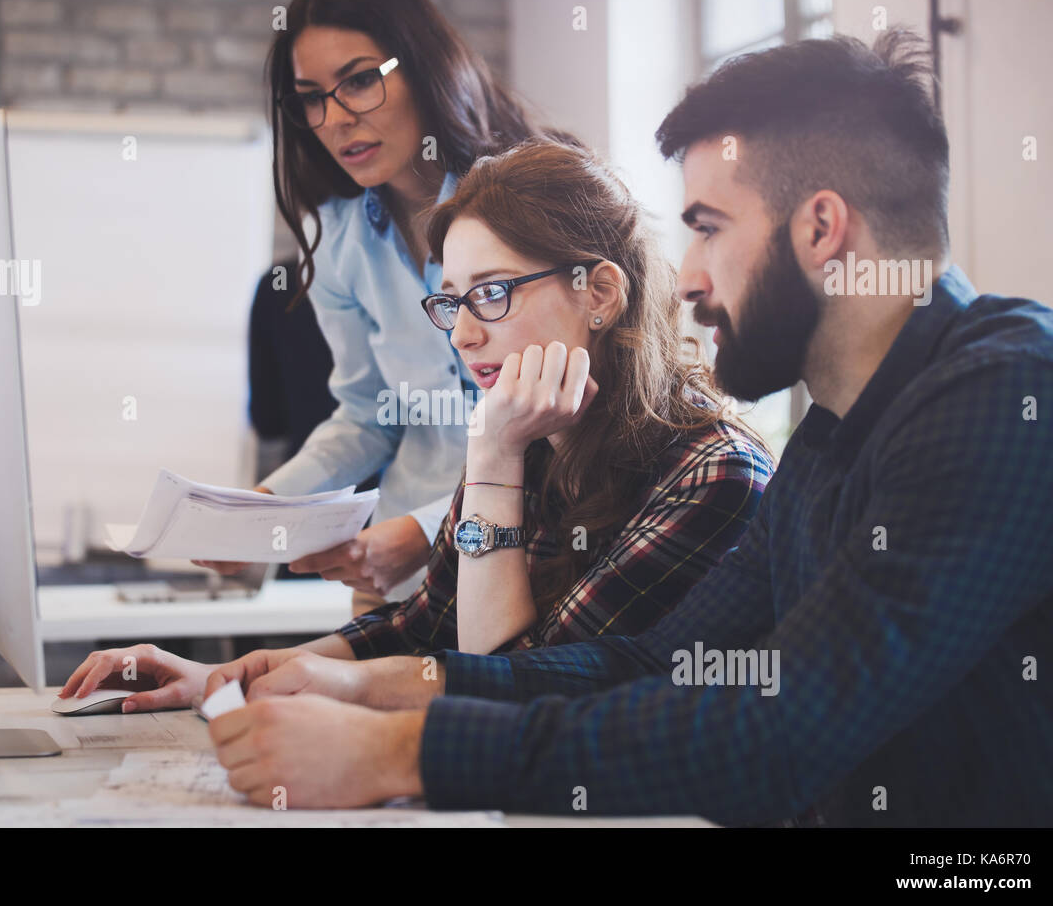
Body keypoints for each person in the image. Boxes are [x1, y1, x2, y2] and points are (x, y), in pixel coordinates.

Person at [193, 30, 1053, 826]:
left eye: (708, 227)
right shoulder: (831, 440)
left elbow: (782, 727)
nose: (687, 277)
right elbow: (653, 663)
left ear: (821, 227)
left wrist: (398, 754)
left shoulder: (1006, 392)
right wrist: (371, 684)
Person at [60, 138, 772, 700]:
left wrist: (492, 459)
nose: (462, 336)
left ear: (600, 293)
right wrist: (227, 678)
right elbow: (423, 625)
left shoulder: (712, 473)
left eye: (491, 294)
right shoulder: (531, 440)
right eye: (451, 301)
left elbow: (514, 688)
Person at [198, 0, 571, 611]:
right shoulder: (341, 241)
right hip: (400, 581)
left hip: (533, 553)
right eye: (311, 97)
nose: (336, 117)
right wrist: (266, 506)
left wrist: (429, 531)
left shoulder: (527, 205)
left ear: (426, 68)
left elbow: (565, 413)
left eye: (361, 81)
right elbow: (369, 416)